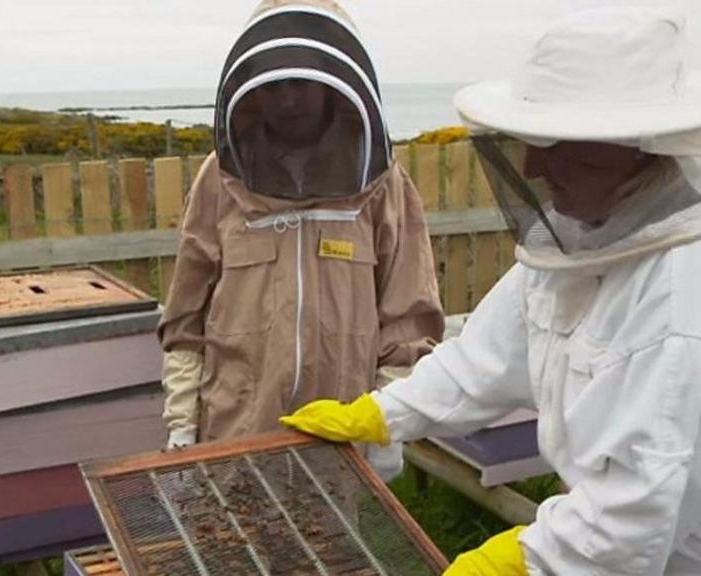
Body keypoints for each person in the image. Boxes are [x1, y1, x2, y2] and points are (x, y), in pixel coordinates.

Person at [282, 7, 701, 575]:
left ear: (635, 145)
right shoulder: (579, 241)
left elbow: (632, 513)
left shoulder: (679, 298)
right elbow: (482, 361)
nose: (531, 165)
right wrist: (381, 413)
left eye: (559, 144)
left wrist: (515, 561)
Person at [158, 0, 445, 479]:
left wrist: (389, 423)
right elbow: (186, 317)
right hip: (233, 434)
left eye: (301, 83)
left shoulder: (382, 183)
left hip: (338, 439)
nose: (287, 100)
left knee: (330, 553)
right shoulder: (219, 178)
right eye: (272, 85)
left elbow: (408, 320)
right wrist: (182, 423)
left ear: (335, 80)